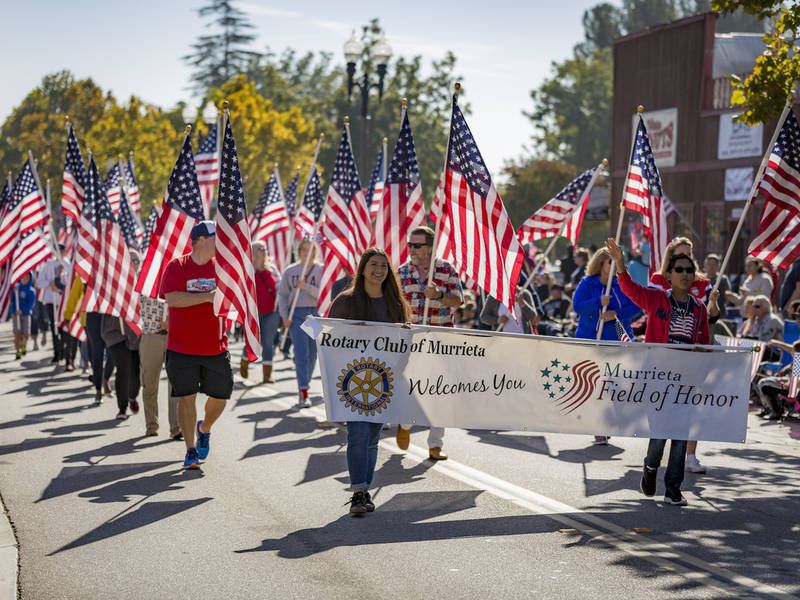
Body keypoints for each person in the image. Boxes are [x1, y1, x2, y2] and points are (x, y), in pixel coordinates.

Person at [608, 238, 712, 506]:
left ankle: (673, 489)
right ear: (668, 275)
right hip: (658, 379)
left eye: (689, 271)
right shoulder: (656, 299)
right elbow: (630, 289)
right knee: (660, 435)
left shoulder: (699, 309)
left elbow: (705, 345)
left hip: (686, 382)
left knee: (680, 436)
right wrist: (620, 264)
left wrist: (702, 374)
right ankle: (650, 467)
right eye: (679, 270)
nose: (685, 275)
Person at [328, 247, 412, 515]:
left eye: (384, 266)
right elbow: (327, 337)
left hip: (385, 380)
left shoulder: (396, 303)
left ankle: (364, 489)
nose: (379, 270)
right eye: (373, 264)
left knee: (373, 436)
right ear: (362, 268)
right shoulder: (346, 301)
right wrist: (351, 332)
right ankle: (358, 491)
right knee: (359, 432)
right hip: (354, 379)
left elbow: (404, 343)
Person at [161, 221, 234, 469]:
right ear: (201, 239)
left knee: (221, 396)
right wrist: (206, 297)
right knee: (186, 398)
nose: (221, 243)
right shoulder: (177, 266)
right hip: (181, 347)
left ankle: (206, 427)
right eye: (217, 237)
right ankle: (190, 449)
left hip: (216, 347)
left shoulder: (223, 269)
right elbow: (172, 298)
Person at [396, 225, 463, 460]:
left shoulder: (445, 268)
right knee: (412, 387)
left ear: (431, 247)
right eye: (410, 244)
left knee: (440, 390)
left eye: (417, 245)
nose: (412, 249)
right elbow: (395, 304)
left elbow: (459, 300)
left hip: (441, 338)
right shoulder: (402, 271)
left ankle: (436, 443)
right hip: (412, 338)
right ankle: (404, 424)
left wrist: (439, 296)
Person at [572, 247, 639, 444]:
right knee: (596, 384)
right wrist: (597, 302)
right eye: (611, 262)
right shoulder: (587, 283)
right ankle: (599, 427)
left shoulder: (623, 283)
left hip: (616, 340)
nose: (614, 265)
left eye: (617, 262)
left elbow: (635, 306)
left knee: (616, 384)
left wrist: (616, 313)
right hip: (592, 339)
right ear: (601, 263)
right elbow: (578, 306)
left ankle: (613, 420)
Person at [277, 238, 323, 407]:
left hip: (313, 314)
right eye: (303, 249)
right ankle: (303, 390)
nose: (306, 252)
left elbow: (323, 295)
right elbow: (282, 295)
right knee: (301, 353)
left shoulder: (320, 269)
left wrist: (306, 287)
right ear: (299, 251)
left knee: (313, 355)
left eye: (309, 249)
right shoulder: (290, 270)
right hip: (296, 314)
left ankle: (305, 384)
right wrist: (284, 316)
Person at [138, 288, 179, 438]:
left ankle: (176, 427)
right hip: (151, 336)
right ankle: (151, 425)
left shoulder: (175, 275)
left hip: (173, 336)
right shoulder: (145, 278)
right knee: (149, 383)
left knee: (175, 383)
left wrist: (170, 321)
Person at [250, 241, 281, 384]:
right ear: (255, 251)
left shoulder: (272, 269)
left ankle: (266, 375)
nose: (264, 251)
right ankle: (245, 359)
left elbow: (280, 289)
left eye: (265, 249)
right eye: (261, 248)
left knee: (268, 342)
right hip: (254, 313)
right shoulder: (249, 270)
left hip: (272, 312)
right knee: (253, 341)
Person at [101, 312, 141, 420]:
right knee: (123, 368)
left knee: (135, 372)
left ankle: (132, 397)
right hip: (113, 332)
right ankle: (122, 408)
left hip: (134, 332)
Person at [36, 252, 66, 363]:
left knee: (63, 328)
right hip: (50, 301)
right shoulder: (48, 265)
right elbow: (39, 283)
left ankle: (63, 351)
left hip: (63, 302)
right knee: (54, 327)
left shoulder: (66, 264)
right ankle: (56, 353)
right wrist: (50, 283)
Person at [10, 272, 36, 360]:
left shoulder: (31, 291)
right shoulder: (16, 288)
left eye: (27, 278)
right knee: (17, 333)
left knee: (26, 334)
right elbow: (12, 299)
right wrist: (13, 292)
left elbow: (31, 304)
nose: (24, 280)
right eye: (23, 277)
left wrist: (23, 310)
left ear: (30, 279)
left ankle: (24, 345)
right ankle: (18, 351)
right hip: (16, 314)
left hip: (26, 314)